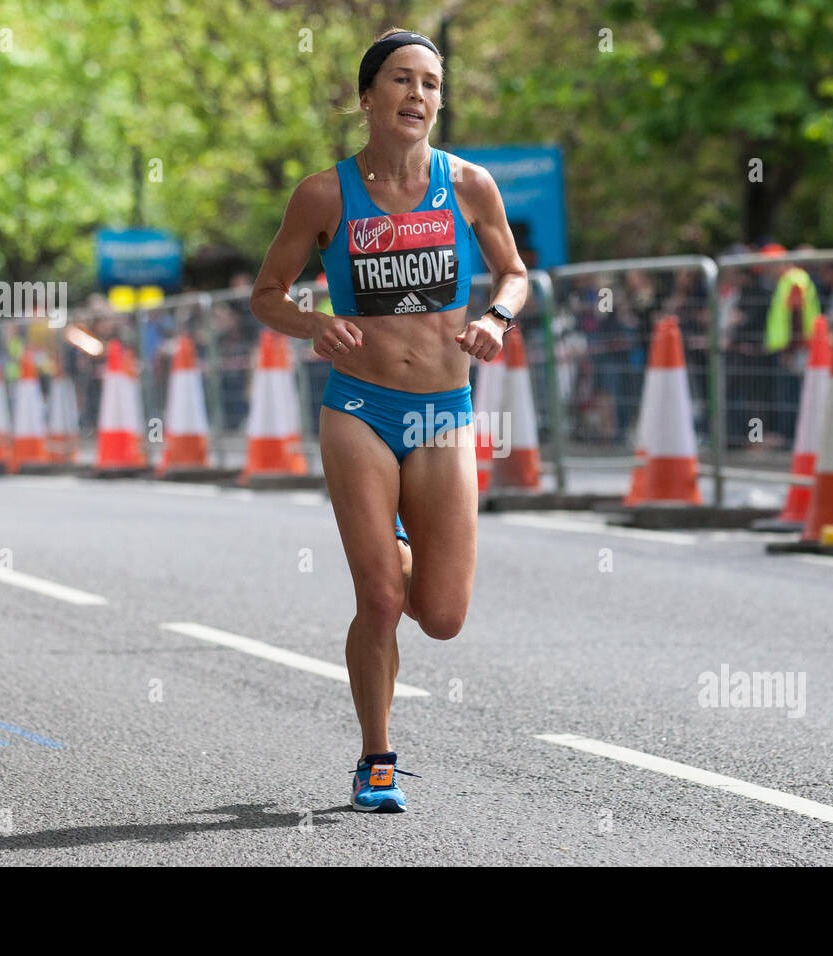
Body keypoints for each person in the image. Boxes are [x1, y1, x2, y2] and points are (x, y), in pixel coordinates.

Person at [250, 28, 528, 813]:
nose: (418, 95)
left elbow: (514, 272)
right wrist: (312, 323)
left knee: (440, 617)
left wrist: (497, 319)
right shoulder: (324, 195)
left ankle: (396, 548)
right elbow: (267, 294)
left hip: (443, 412)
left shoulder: (468, 184)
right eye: (402, 80)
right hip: (359, 408)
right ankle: (376, 758)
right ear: (368, 97)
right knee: (378, 601)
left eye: (431, 83)